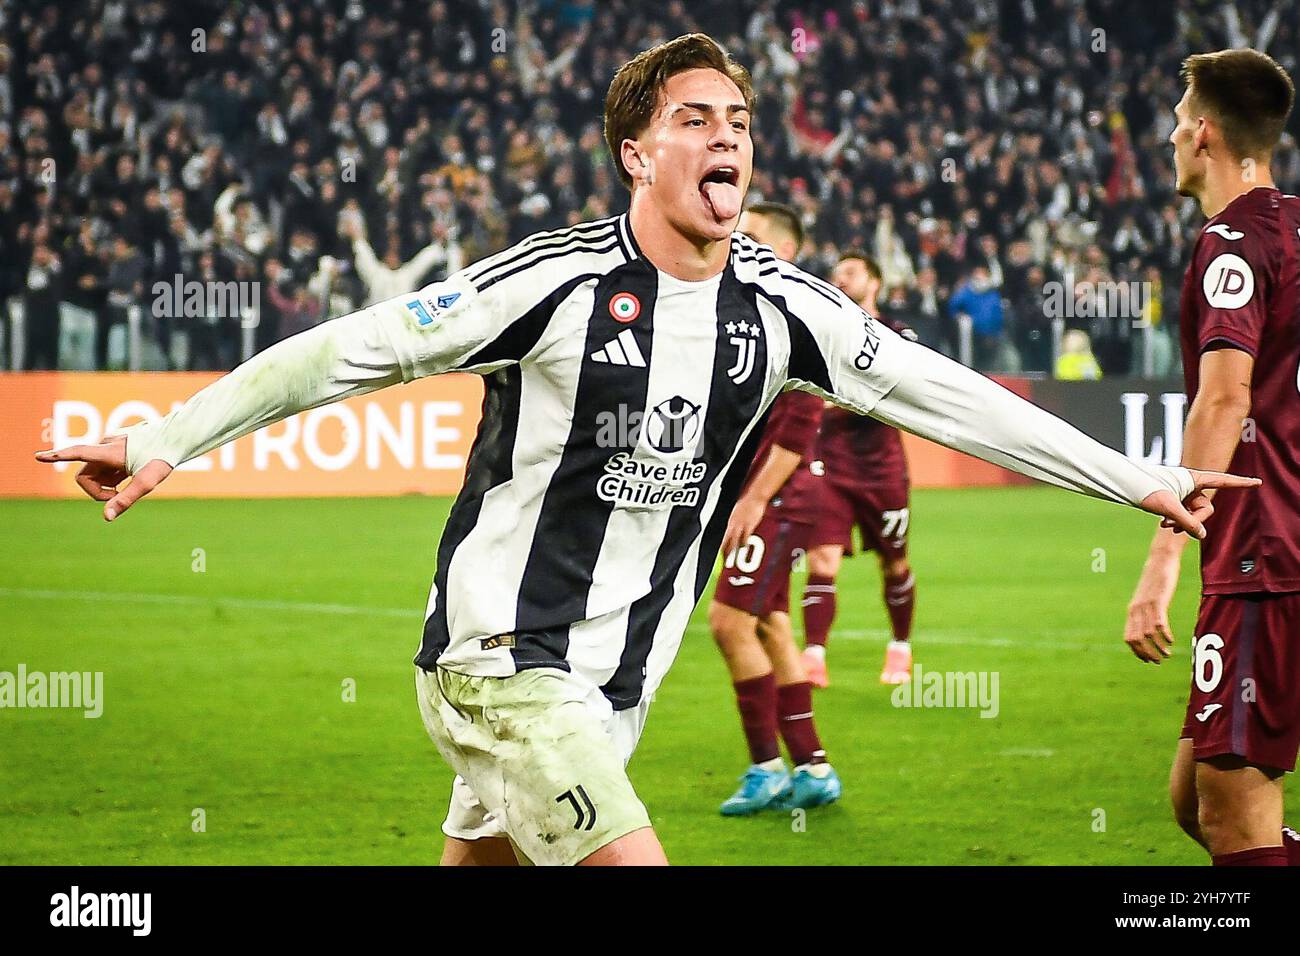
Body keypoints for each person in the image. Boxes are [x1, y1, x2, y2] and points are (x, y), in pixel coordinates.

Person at [39, 34, 1253, 867]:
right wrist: (162, 438)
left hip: (614, 685)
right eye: (693, 121)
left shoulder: (782, 308)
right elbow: (343, 354)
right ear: (638, 153)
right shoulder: (550, 284)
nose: (726, 138)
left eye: (737, 121)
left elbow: (944, 394)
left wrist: (1137, 476)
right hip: (502, 659)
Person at [1123, 48, 1300, 867]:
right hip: (1279, 549)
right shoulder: (1293, 228)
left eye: (1173, 120)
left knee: (1231, 819)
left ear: (1203, 134)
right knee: (1195, 803)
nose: (1165, 138)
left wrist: (1163, 554)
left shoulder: (1229, 245)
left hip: (1265, 556)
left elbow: (1224, 400)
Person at [707, 201, 839, 815]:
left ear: (782, 248)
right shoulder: (748, 306)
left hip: (779, 496)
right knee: (771, 625)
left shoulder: (796, 309)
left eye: (752, 235)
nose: (737, 240)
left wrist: (752, 501)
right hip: (775, 494)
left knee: (728, 624)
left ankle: (766, 768)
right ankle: (813, 767)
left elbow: (801, 423)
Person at [800, 252, 918, 687]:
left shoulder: (897, 334)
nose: (840, 280)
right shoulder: (823, 333)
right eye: (837, 275)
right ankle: (813, 655)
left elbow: (898, 390)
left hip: (882, 470)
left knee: (895, 562)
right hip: (829, 465)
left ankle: (900, 647)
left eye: (850, 273)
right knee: (822, 558)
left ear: (875, 281)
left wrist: (837, 401)